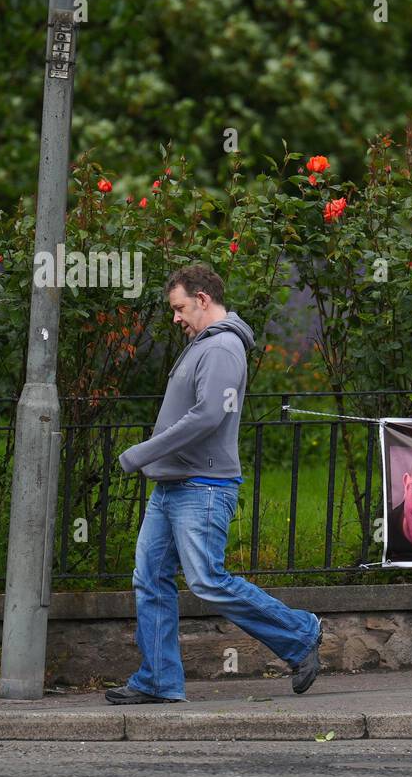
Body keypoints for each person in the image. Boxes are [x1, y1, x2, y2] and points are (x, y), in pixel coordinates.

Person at [106, 263, 322, 704]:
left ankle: (301, 634)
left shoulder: (223, 347)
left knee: (206, 580)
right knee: (150, 580)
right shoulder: (206, 345)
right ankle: (159, 681)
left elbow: (209, 415)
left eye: (180, 307)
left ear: (203, 299)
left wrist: (142, 453)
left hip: (202, 486)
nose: (176, 318)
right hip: (172, 487)